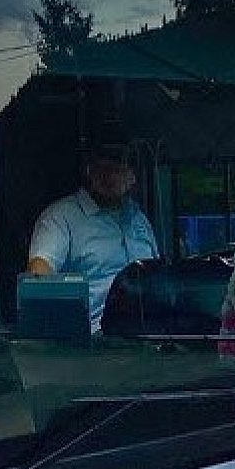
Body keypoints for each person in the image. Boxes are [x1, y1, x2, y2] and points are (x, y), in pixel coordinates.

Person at [26, 141, 158, 333]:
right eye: (104, 168)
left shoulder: (138, 218)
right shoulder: (61, 216)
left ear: (132, 176)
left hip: (150, 335)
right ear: (90, 170)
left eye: (119, 167)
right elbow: (39, 273)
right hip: (93, 340)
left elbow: (157, 275)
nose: (111, 175)